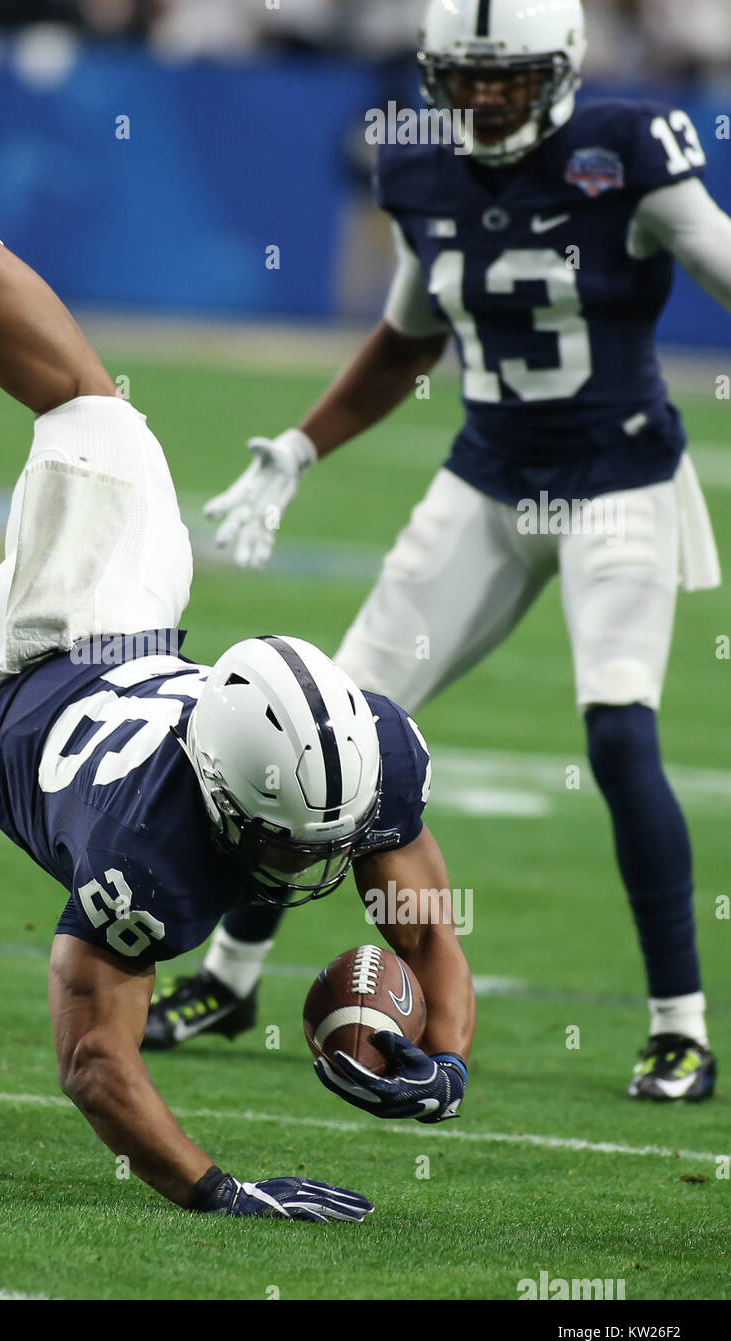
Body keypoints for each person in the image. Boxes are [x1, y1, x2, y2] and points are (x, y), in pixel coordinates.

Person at [0, 56, 475, 1222]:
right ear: (218, 786)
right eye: (280, 840)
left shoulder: (355, 752)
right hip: (48, 678)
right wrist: (215, 1190)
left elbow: (422, 926)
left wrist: (449, 1058)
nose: (305, 864)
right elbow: (92, 1060)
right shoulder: (149, 856)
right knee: (90, 413)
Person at [175, 0, 727, 1101]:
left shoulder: (625, 145)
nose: (478, 99)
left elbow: (717, 254)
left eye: (504, 77)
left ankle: (678, 1024)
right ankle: (228, 976)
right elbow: (406, 336)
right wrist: (297, 444)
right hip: (483, 479)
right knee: (316, 731)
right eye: (460, 77)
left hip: (616, 481)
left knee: (618, 735)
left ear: (561, 68)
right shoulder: (418, 168)